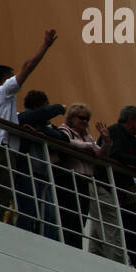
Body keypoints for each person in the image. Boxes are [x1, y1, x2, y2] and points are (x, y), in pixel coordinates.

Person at [0, 29, 57, 221]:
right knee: (2, 195)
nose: (18, 79)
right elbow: (28, 66)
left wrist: (18, 129)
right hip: (1, 148)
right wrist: (45, 46)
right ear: (6, 78)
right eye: (13, 76)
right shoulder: (5, 91)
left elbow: (7, 119)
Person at [90, 105, 136, 266]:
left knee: (99, 232)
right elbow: (116, 154)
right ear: (131, 119)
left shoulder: (125, 135)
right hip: (106, 186)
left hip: (113, 190)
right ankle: (118, 266)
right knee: (111, 231)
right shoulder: (116, 131)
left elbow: (135, 147)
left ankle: (95, 259)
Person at [13, 90, 66, 239]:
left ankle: (41, 242)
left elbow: (63, 138)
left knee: (49, 216)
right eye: (46, 106)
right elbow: (27, 118)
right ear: (40, 106)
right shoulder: (24, 117)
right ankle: (25, 239)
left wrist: (41, 132)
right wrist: (57, 108)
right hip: (27, 171)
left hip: (42, 174)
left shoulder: (43, 125)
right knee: (29, 210)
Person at [55, 103, 105, 248]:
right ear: (72, 118)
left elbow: (100, 153)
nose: (84, 122)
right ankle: (66, 246)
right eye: (81, 118)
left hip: (84, 181)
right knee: (68, 216)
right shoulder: (65, 130)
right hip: (69, 179)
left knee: (80, 218)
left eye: (87, 119)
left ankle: (75, 247)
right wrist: (89, 147)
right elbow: (67, 142)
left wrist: (106, 142)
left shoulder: (88, 137)